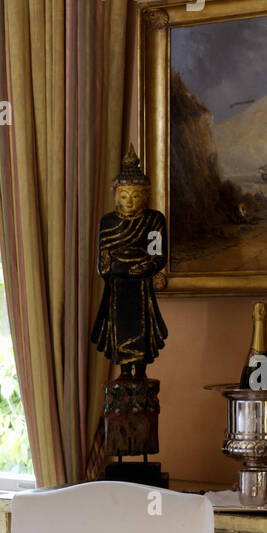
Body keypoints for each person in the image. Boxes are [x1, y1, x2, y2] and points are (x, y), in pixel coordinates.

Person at [91, 146, 168, 378]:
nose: (130, 201)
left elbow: (157, 255)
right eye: (124, 196)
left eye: (135, 196)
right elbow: (102, 258)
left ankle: (141, 370)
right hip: (117, 286)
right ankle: (124, 370)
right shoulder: (108, 222)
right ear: (116, 195)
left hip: (140, 284)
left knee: (141, 329)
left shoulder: (154, 220)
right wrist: (108, 266)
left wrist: (147, 266)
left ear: (146, 195)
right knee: (120, 329)